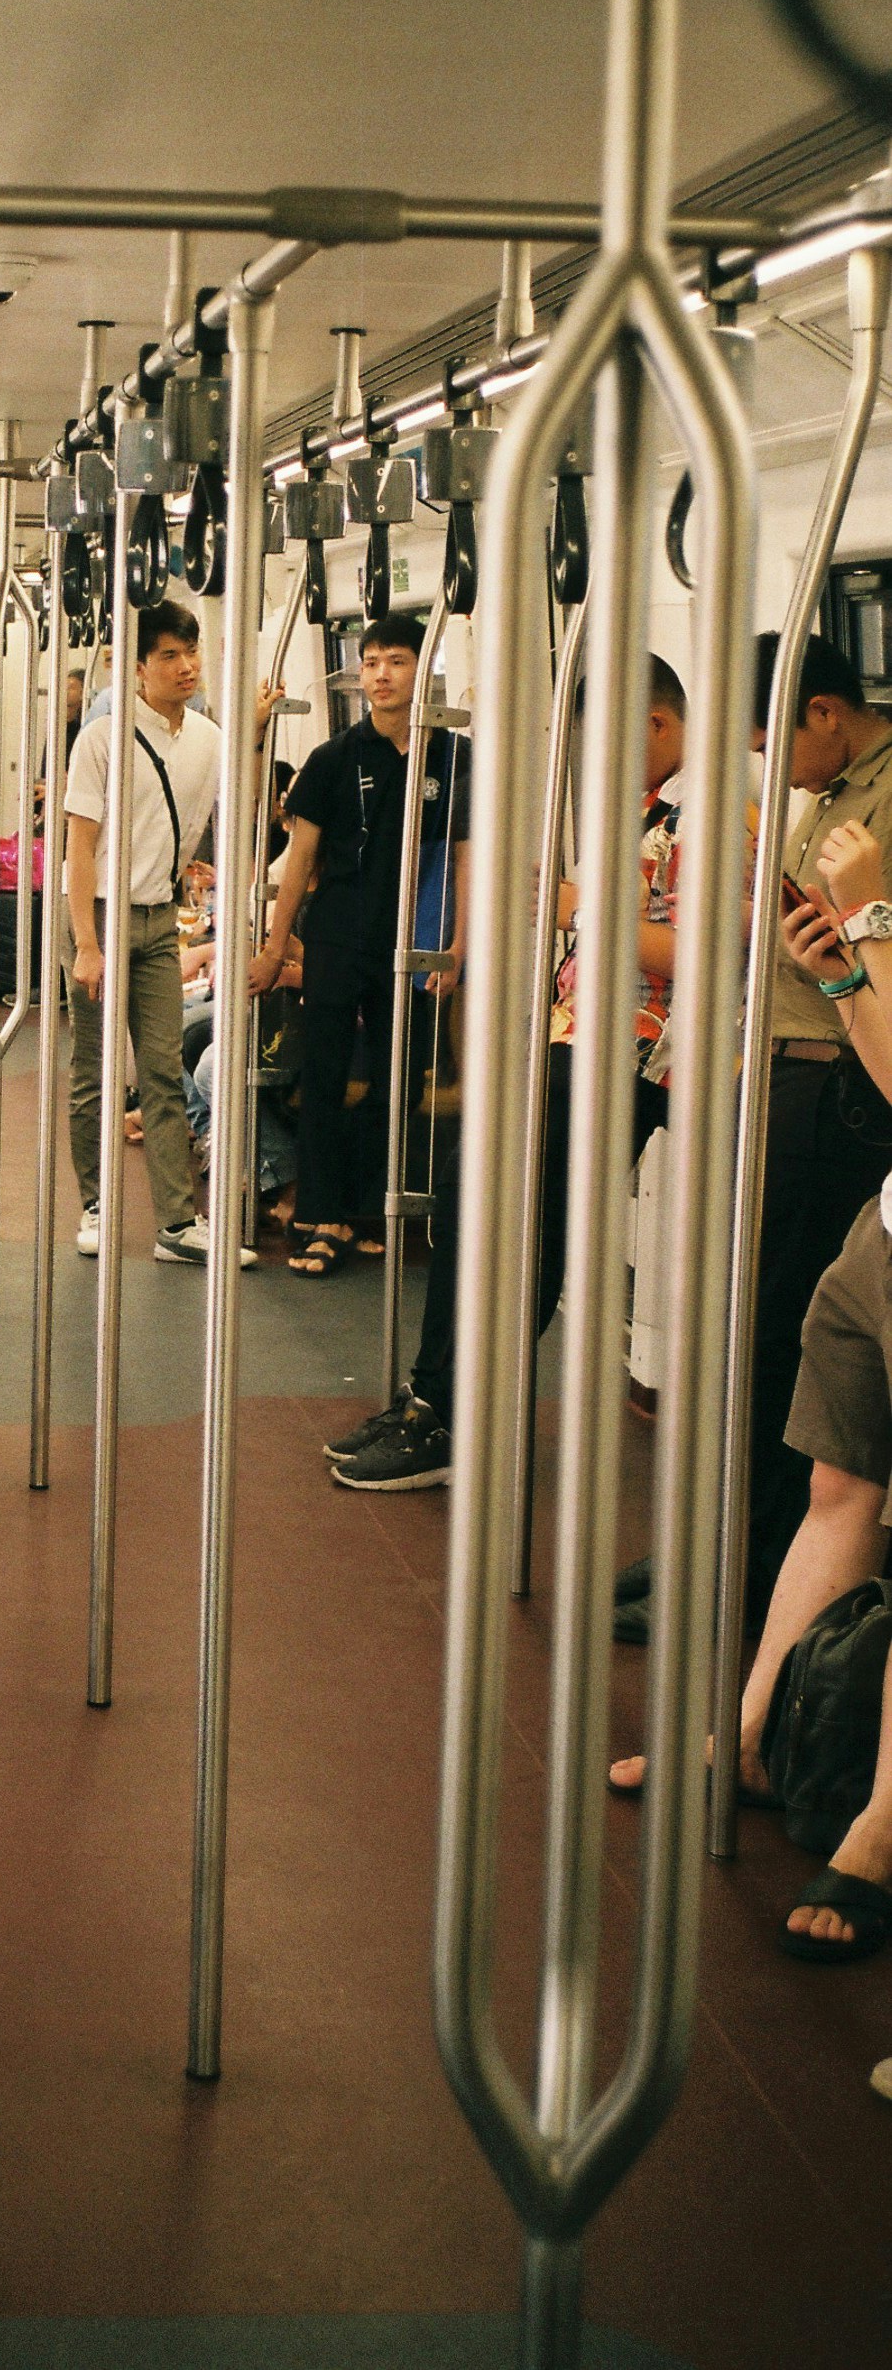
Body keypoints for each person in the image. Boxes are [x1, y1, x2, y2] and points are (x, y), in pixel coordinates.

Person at [611, 808, 892, 1973]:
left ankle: (879, 1831)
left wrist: (868, 916)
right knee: (838, 1489)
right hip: (886, 1231)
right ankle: (757, 1735)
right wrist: (842, 977)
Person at [326, 656, 695, 1493]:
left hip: (635, 1051)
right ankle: (434, 1395)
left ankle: (463, 1416)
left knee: (521, 1216)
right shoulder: (645, 808)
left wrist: (579, 908)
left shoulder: (713, 816)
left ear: (657, 723)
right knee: (470, 1191)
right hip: (579, 1032)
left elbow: (706, 949)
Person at [615, 631, 892, 1645]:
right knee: (753, 1335)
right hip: (788, 1067)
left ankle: (755, 1583)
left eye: (777, 741)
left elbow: (875, 943)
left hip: (840, 1088)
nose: (774, 766)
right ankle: (730, 1550)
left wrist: (856, 918)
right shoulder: (831, 796)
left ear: (826, 711)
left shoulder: (881, 800)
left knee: (783, 1348)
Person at [250, 615, 468, 1280]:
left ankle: (351, 1207)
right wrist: (275, 945)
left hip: (414, 942)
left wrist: (459, 946)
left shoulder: (454, 756)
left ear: (421, 671)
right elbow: (301, 859)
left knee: (401, 1078)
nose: (380, 674)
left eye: (395, 661)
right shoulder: (333, 758)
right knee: (323, 1074)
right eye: (370, 662)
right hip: (339, 934)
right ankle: (322, 1217)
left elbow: (467, 858)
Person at [64, 598, 242, 1268]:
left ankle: (176, 1222)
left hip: (160, 917)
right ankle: (95, 1205)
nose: (185, 666)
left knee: (163, 1071)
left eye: (191, 652)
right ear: (136, 667)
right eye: (169, 655)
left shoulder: (210, 739)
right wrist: (86, 943)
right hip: (100, 913)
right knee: (96, 1070)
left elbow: (218, 815)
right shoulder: (101, 740)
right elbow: (80, 846)